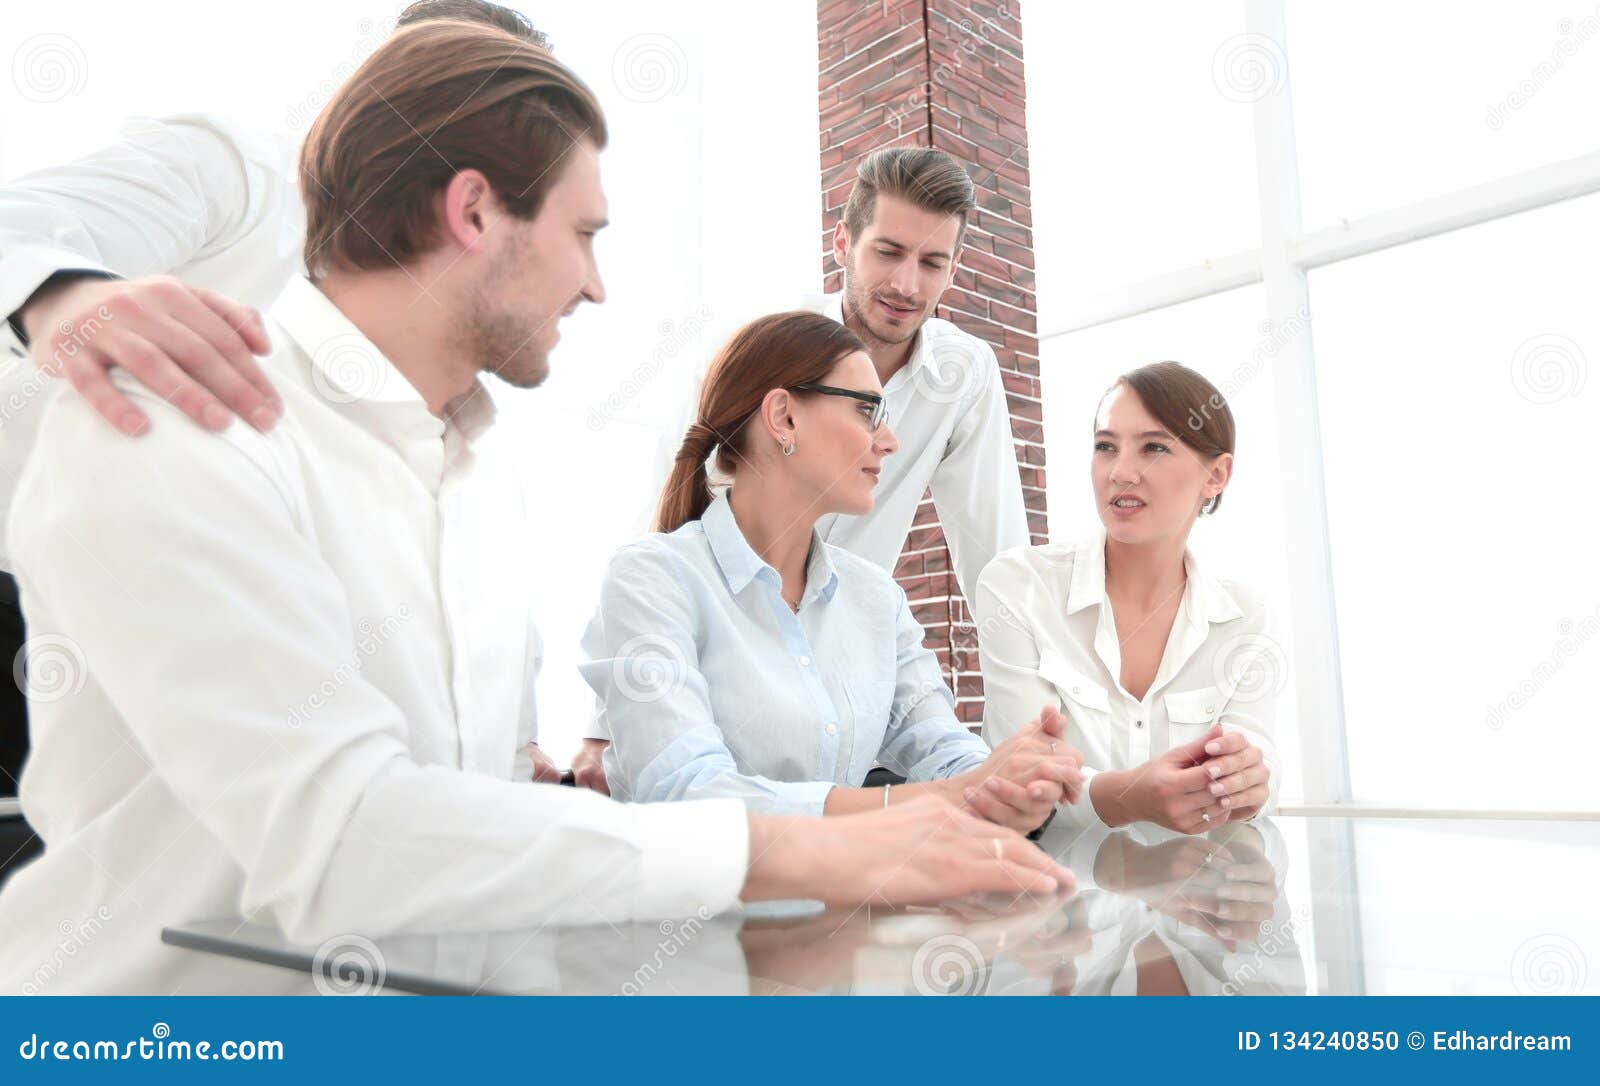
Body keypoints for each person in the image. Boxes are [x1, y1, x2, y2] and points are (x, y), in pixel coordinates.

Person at [0, 21, 1071, 995]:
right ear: (471, 207)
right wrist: (807, 845)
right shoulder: (179, 420)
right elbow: (351, 843)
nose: (599, 287)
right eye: (585, 232)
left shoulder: (467, 481)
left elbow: (459, 828)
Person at [0, 1, 580, 791]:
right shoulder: (239, 171)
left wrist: (492, 763)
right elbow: (18, 226)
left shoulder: (442, 339)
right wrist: (58, 298)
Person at [569, 146, 1032, 792]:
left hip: (839, 670)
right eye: (888, 252)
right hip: (726, 662)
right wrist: (607, 721)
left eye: (933, 263)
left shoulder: (964, 375)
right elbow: (664, 522)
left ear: (955, 269)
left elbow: (998, 563)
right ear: (843, 241)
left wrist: (1021, 753)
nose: (907, 285)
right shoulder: (760, 346)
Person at [580, 311, 1082, 831]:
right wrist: (939, 801)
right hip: (699, 910)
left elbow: (946, 752)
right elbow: (687, 795)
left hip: (847, 905)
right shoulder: (653, 579)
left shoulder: (875, 599)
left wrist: (1015, 782)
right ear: (784, 418)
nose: (889, 440)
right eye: (867, 412)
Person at [973, 362, 1280, 834]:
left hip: (1194, 896)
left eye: (1154, 448)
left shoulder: (1245, 615)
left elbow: (1258, 758)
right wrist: (1127, 797)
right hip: (1052, 895)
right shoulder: (1019, 586)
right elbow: (1021, 778)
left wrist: (1250, 780)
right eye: (1105, 447)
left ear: (1216, 475)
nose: (1120, 472)